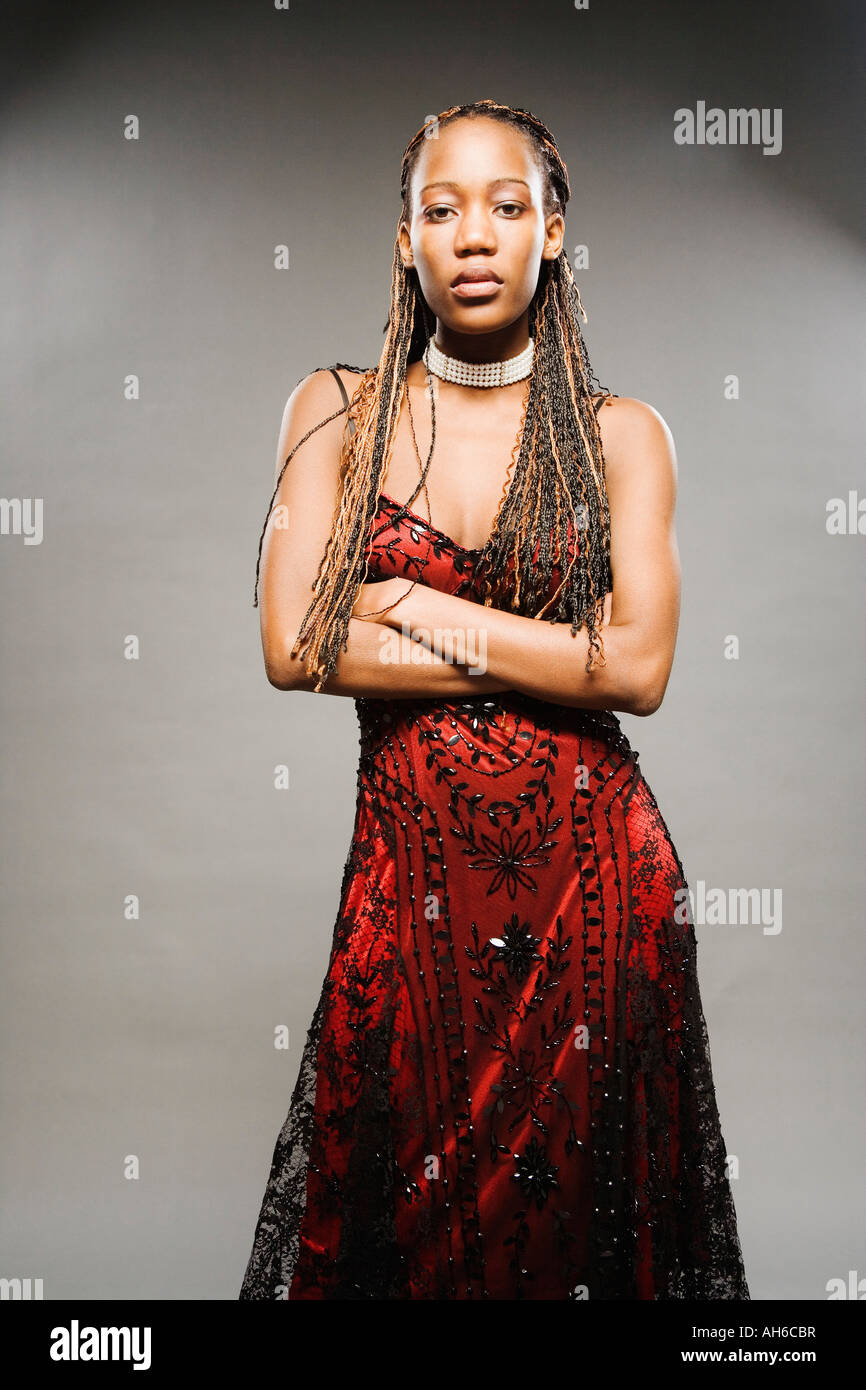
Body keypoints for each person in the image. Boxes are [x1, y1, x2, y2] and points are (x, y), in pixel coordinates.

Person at [239, 99, 750, 1300]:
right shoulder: (336, 411)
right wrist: (541, 644)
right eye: (441, 208)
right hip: (406, 891)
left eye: (506, 206)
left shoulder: (621, 436)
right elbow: (291, 644)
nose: (473, 234)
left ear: (553, 233)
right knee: (394, 1223)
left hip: (598, 897)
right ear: (404, 239)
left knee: (586, 1238)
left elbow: (636, 671)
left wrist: (420, 610)